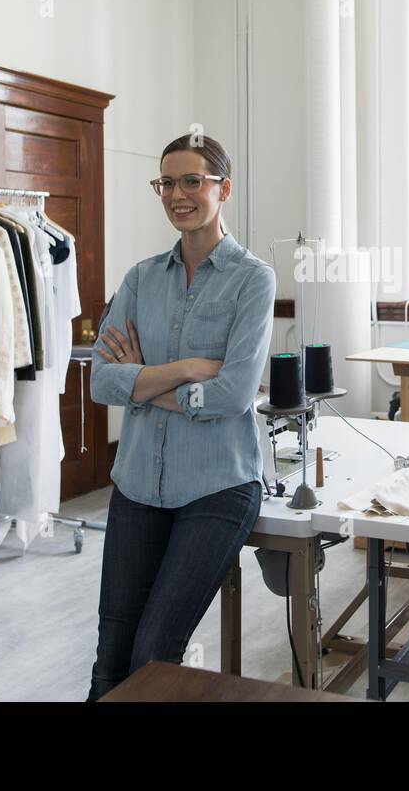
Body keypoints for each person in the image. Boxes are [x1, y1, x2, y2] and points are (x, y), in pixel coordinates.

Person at [86, 133, 276, 700]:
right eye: (166, 182)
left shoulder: (253, 279)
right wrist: (189, 368)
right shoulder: (140, 279)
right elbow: (100, 381)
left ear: (223, 188)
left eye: (192, 181)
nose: (177, 194)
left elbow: (235, 395)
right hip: (138, 484)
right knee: (110, 655)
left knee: (153, 654)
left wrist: (143, 380)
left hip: (218, 488)